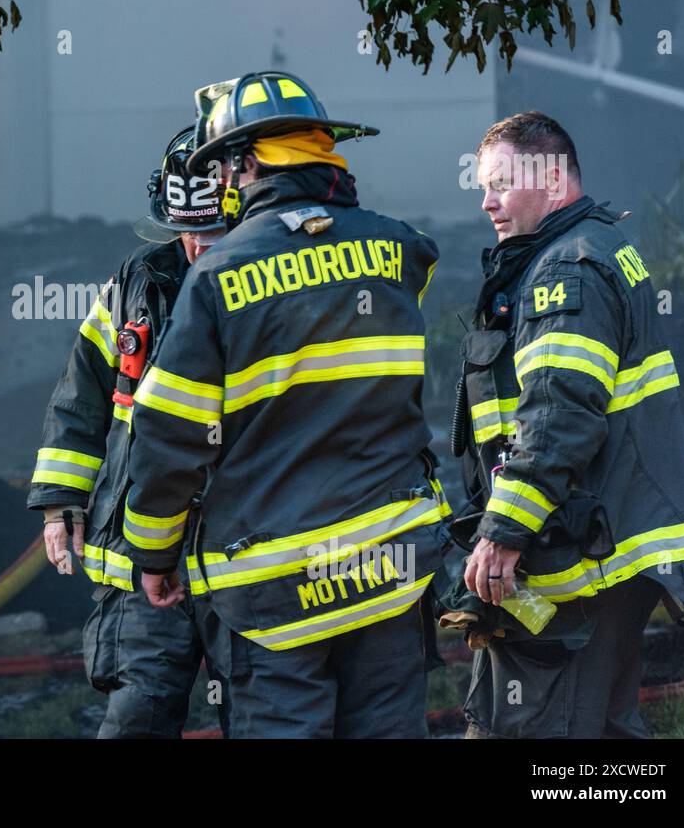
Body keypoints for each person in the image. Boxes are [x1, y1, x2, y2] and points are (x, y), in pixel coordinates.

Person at [123, 71, 450, 738]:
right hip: (390, 570)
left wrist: (153, 554)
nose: (224, 188)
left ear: (248, 162)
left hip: (276, 591)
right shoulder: (400, 250)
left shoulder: (219, 276)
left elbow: (167, 434)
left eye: (224, 172)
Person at [454, 110, 684, 738]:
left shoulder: (566, 271)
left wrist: (504, 530)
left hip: (583, 561)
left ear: (549, 180)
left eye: (499, 184)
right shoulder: (597, 247)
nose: (486, 202)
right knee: (603, 731)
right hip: (609, 549)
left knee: (542, 732)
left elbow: (558, 414)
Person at [27, 126, 230, 737]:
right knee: (135, 718)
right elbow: (81, 395)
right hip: (144, 560)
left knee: (262, 719)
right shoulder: (139, 280)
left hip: (245, 557)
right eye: (185, 229)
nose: (197, 248)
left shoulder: (276, 289)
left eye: (215, 231)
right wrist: (62, 502)